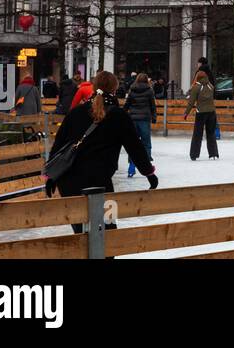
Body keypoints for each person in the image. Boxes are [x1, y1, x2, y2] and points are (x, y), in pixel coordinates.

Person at [45, 70, 157, 232]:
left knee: (82, 234)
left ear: (94, 87)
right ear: (114, 89)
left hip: (70, 183)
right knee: (109, 232)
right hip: (100, 183)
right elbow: (135, 147)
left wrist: (51, 177)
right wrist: (149, 173)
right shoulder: (119, 116)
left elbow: (58, 146)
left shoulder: (75, 113)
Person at [123, 73, 157, 178]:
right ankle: (147, 167)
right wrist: (154, 117)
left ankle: (131, 167)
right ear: (146, 80)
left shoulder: (132, 90)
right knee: (146, 143)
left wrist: (123, 114)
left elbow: (127, 104)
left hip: (133, 120)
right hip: (144, 119)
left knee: (133, 144)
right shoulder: (149, 90)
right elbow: (152, 105)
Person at [183, 69, 219, 161]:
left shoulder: (196, 87)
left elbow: (191, 102)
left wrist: (186, 113)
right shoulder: (210, 86)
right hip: (211, 112)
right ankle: (213, 154)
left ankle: (194, 154)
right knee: (211, 133)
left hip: (201, 113)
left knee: (197, 134)